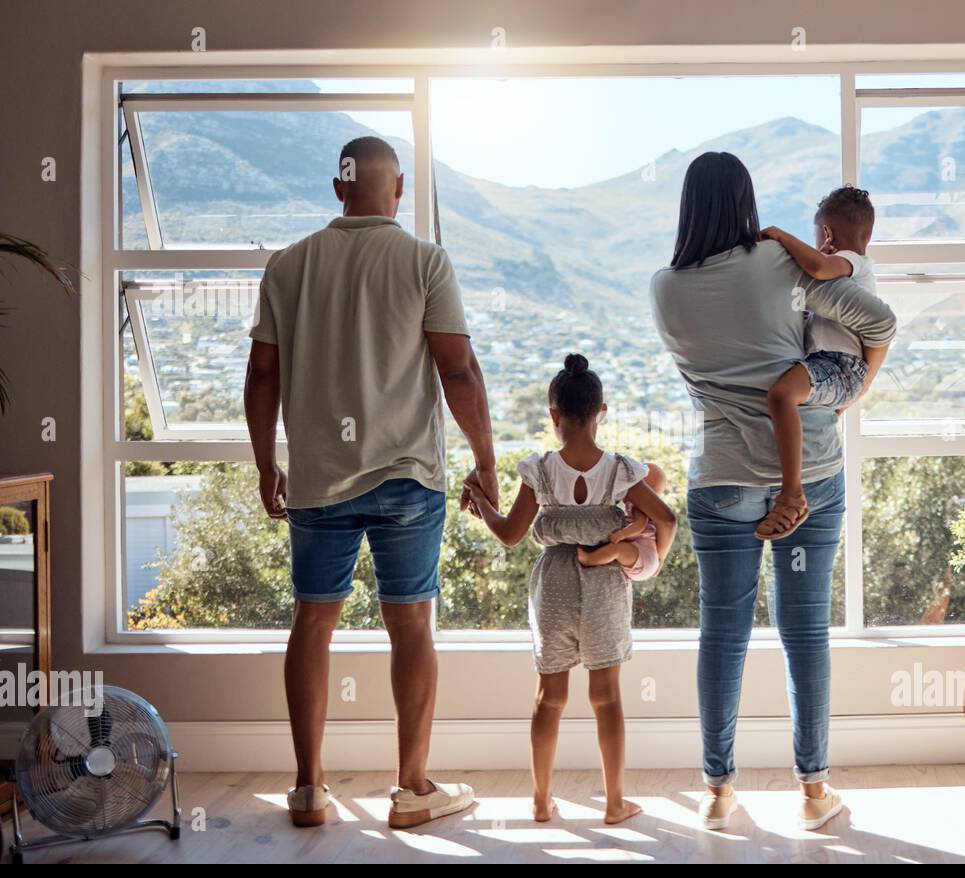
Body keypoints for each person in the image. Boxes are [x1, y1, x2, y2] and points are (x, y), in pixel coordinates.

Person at [244, 136, 497, 830]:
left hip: (320, 480)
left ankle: (307, 789)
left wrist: (268, 465)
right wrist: (486, 458)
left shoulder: (289, 265)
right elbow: (458, 371)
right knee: (410, 623)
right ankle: (412, 788)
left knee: (313, 622)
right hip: (408, 476)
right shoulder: (423, 260)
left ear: (338, 188)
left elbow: (262, 375)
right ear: (400, 189)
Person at [650, 152, 896, 831]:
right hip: (809, 472)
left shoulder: (663, 288)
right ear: (746, 202)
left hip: (723, 479)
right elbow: (878, 322)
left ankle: (716, 789)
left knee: (722, 633)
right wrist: (855, 389)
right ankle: (814, 791)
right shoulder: (784, 265)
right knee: (804, 630)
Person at [466, 354, 677, 825]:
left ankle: (541, 801)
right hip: (604, 584)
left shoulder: (539, 470)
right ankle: (615, 803)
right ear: (602, 412)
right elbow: (666, 517)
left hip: (554, 584)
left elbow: (509, 533)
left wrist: (480, 501)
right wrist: (650, 560)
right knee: (607, 698)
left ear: (553, 415)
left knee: (549, 697)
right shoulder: (621, 470)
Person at [756, 186, 890, 540]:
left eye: (818, 235)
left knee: (780, 396)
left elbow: (817, 266)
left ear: (827, 233)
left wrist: (780, 235)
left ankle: (792, 495)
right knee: (783, 398)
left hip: (841, 366)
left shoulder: (854, 263)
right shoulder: (845, 275)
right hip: (833, 365)